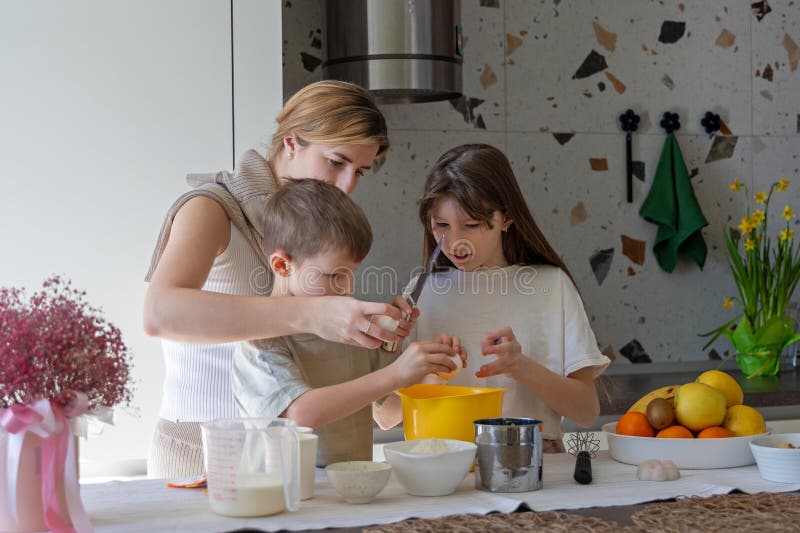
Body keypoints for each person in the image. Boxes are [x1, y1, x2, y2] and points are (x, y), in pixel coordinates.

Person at [143, 81, 415, 478]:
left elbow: (376, 405)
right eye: (336, 162)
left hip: (288, 463)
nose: (347, 186)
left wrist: (384, 345)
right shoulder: (211, 208)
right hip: (201, 453)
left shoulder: (322, 231)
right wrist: (312, 314)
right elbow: (159, 315)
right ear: (292, 142)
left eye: (360, 171)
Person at [233, 179, 460, 466]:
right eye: (335, 276)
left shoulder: (350, 331)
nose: (347, 288)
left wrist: (428, 370)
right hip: (284, 498)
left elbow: (388, 416)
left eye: (351, 274)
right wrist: (396, 374)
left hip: (351, 492)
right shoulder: (260, 340)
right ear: (282, 265)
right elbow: (299, 415)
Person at [407, 144, 611, 452]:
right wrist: (420, 371)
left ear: (507, 218)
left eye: (472, 225)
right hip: (447, 467)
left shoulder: (551, 286)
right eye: (441, 226)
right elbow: (384, 416)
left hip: (535, 466)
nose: (455, 242)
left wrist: (520, 366)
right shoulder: (420, 293)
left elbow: (586, 411)